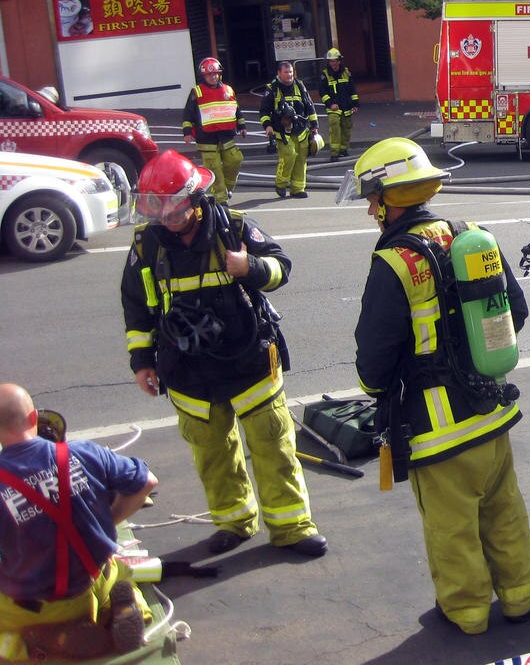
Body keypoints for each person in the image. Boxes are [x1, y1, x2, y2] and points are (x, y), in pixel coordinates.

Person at [342, 137, 530, 635]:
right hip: (493, 409)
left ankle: (467, 613)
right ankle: (525, 595)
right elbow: (514, 311)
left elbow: (374, 361)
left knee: (451, 527)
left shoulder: (394, 262)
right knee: (504, 509)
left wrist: (380, 388)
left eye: (372, 197)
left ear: (389, 197)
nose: (370, 208)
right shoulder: (471, 235)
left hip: (439, 430)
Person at [121, 150, 326, 558]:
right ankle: (234, 522)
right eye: (155, 207)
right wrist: (142, 361)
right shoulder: (146, 246)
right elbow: (135, 305)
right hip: (188, 367)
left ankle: (291, 528)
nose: (165, 216)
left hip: (248, 357)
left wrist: (249, 266)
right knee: (213, 453)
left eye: (172, 206)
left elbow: (282, 266)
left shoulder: (233, 228)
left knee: (273, 445)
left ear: (194, 198)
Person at [0, 384, 157, 661]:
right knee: (120, 573)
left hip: (34, 608)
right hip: (92, 585)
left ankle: (43, 639)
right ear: (35, 418)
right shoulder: (84, 453)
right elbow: (147, 482)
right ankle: (125, 609)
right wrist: (111, 518)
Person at [182, 56, 246, 203]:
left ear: (220, 74)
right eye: (209, 74)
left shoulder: (228, 90)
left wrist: (242, 126)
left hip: (226, 137)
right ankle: (221, 199)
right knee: (214, 169)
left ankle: (227, 188)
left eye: (215, 73)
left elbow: (236, 110)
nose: (213, 77)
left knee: (236, 160)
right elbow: (188, 114)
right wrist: (187, 133)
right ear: (204, 76)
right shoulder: (197, 92)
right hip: (206, 139)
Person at [259, 61, 318, 198]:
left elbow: (309, 105)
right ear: (279, 73)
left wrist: (314, 124)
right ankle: (281, 183)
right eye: (286, 72)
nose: (289, 75)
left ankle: (297, 188)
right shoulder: (272, 88)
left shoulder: (299, 85)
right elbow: (264, 111)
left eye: (291, 72)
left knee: (301, 159)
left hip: (301, 130)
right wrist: (267, 126)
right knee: (289, 156)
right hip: (281, 132)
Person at [320, 48, 359, 161]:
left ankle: (343, 150)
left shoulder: (346, 73)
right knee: (335, 128)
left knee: (346, 128)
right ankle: (334, 153)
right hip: (333, 107)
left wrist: (355, 104)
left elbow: (352, 89)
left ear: (339, 61)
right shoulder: (325, 75)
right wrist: (330, 104)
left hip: (346, 106)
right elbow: (322, 92)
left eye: (335, 61)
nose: (333, 63)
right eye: (331, 61)